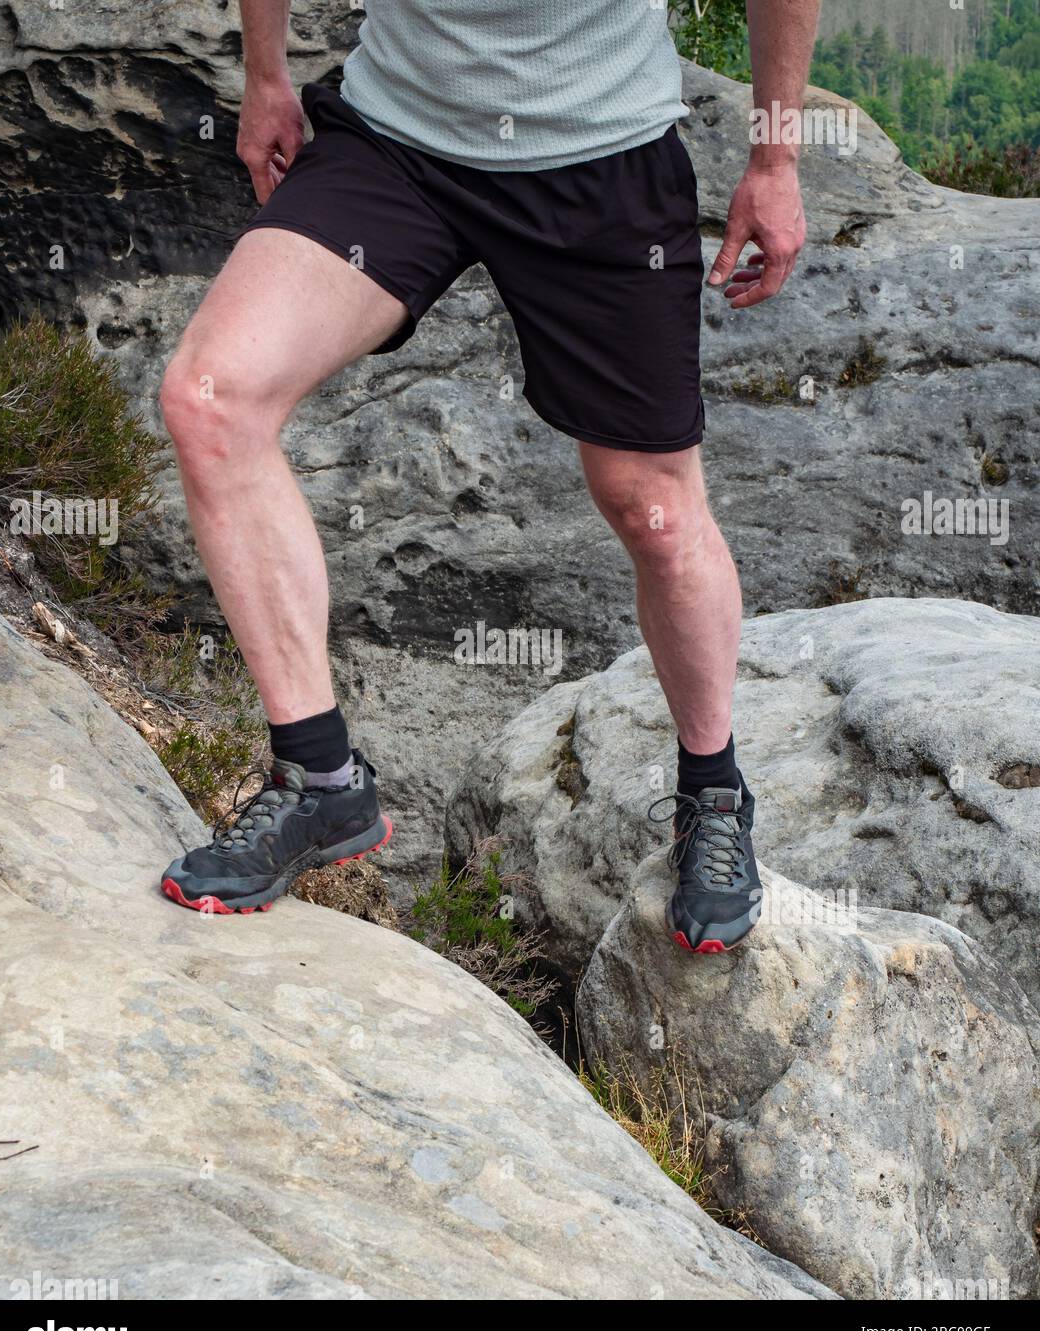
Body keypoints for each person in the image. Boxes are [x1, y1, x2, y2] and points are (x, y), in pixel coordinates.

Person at [159, 0, 819, 950]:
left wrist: (776, 160)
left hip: (601, 160)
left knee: (655, 512)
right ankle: (321, 779)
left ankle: (713, 796)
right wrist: (265, 74)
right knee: (210, 399)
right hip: (397, 142)